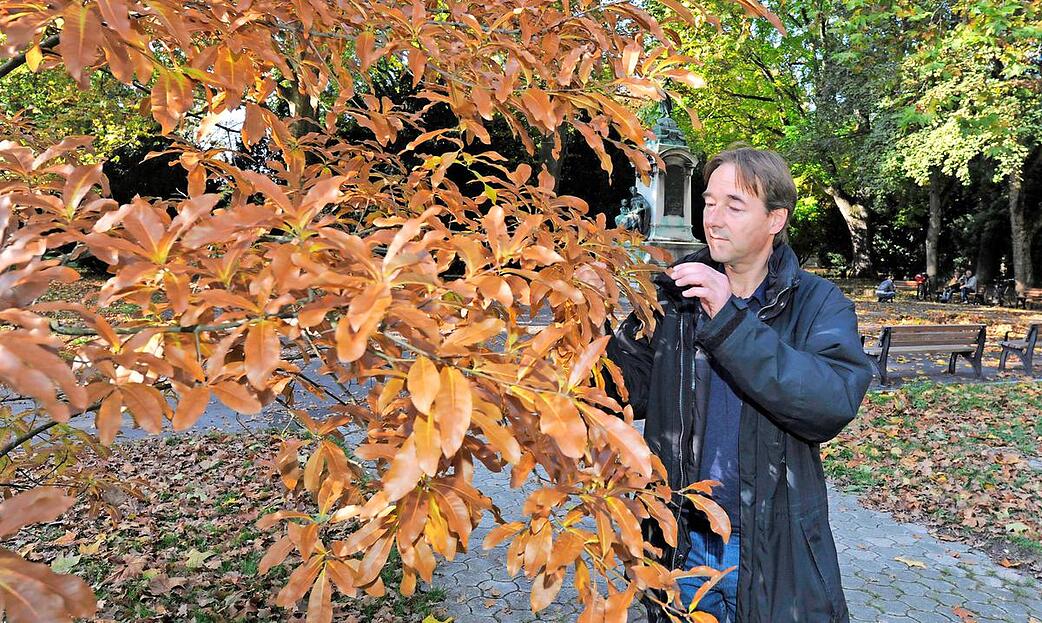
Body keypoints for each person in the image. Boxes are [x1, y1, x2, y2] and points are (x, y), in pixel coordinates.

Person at [606, 146, 873, 623]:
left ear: (775, 219)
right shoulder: (674, 294)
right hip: (680, 540)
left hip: (769, 542)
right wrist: (574, 329)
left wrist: (730, 322)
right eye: (709, 202)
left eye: (734, 205)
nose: (713, 219)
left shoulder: (818, 303)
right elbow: (618, 388)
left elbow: (829, 404)